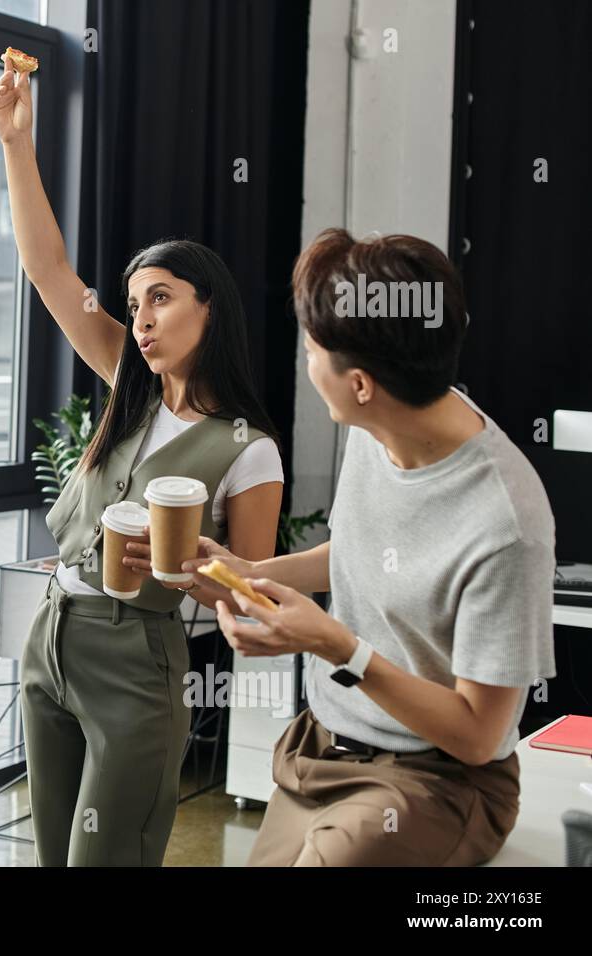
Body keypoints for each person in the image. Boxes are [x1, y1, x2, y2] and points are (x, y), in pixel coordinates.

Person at [0, 54, 283, 865]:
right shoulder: (132, 388)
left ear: (208, 308)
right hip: (52, 637)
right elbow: (49, 271)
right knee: (54, 854)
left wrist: (195, 570)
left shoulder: (249, 452)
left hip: (138, 659)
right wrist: (18, 143)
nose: (142, 320)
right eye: (133, 305)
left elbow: (252, 599)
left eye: (161, 298)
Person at [188, 228, 556, 866]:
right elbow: (362, 550)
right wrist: (248, 572)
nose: (306, 365)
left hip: (437, 782)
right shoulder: (380, 424)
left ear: (360, 383)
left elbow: (477, 734)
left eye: (312, 351)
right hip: (324, 749)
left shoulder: (507, 523)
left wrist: (335, 644)